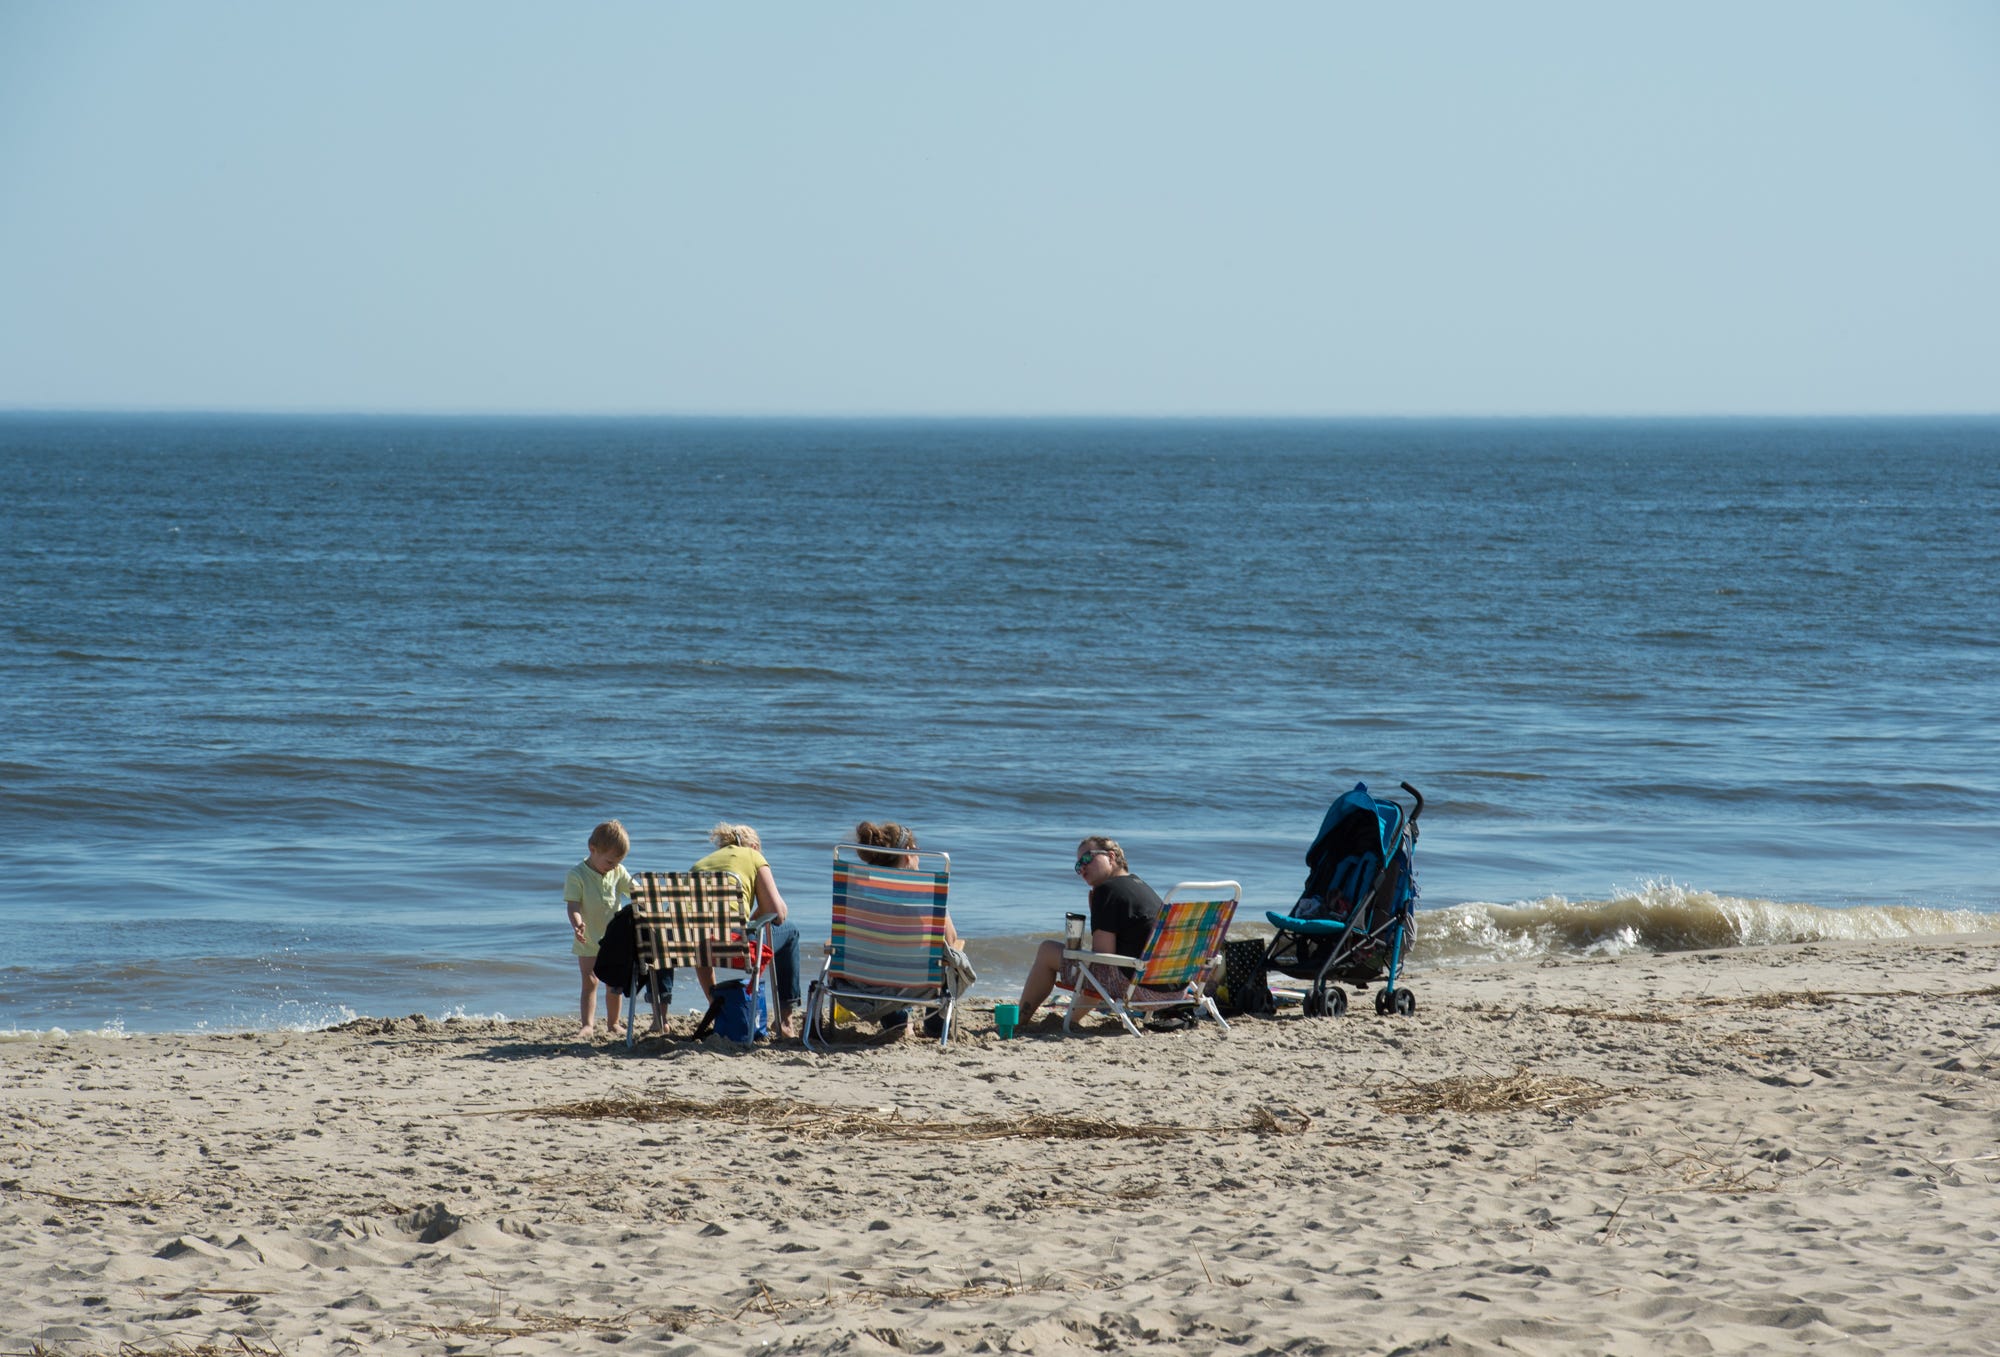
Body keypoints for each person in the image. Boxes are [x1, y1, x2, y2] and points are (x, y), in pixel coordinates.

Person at [1015, 835, 1162, 1023]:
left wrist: (1096, 916)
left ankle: (1020, 1020)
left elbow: (1102, 959)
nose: (1082, 867)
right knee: (1096, 967)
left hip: (1137, 990)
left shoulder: (1107, 890)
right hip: (1169, 989)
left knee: (1047, 951)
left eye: (1086, 858)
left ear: (1111, 857)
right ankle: (1071, 1020)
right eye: (1078, 866)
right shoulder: (1141, 886)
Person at [850, 820, 968, 1039]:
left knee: (888, 960)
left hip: (871, 982)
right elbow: (951, 940)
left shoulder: (856, 891)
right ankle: (934, 1026)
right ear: (907, 853)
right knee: (950, 957)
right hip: (919, 982)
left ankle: (898, 1023)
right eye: (916, 849)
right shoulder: (926, 891)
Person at [690, 822, 804, 1038]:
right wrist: (762, 910)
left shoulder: (700, 865)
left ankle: (716, 1005)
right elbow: (778, 914)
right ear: (754, 847)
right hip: (732, 943)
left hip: (688, 943)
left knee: (702, 935)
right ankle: (785, 1020)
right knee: (790, 932)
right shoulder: (753, 857)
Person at [563, 819, 635, 1040]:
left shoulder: (617, 871)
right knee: (590, 982)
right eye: (610, 861)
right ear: (592, 850)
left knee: (614, 983)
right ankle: (587, 1025)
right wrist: (577, 923)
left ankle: (613, 1023)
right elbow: (573, 905)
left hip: (613, 939)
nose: (613, 866)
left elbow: (634, 891)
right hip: (588, 937)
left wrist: (647, 898)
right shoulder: (577, 875)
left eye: (617, 863)